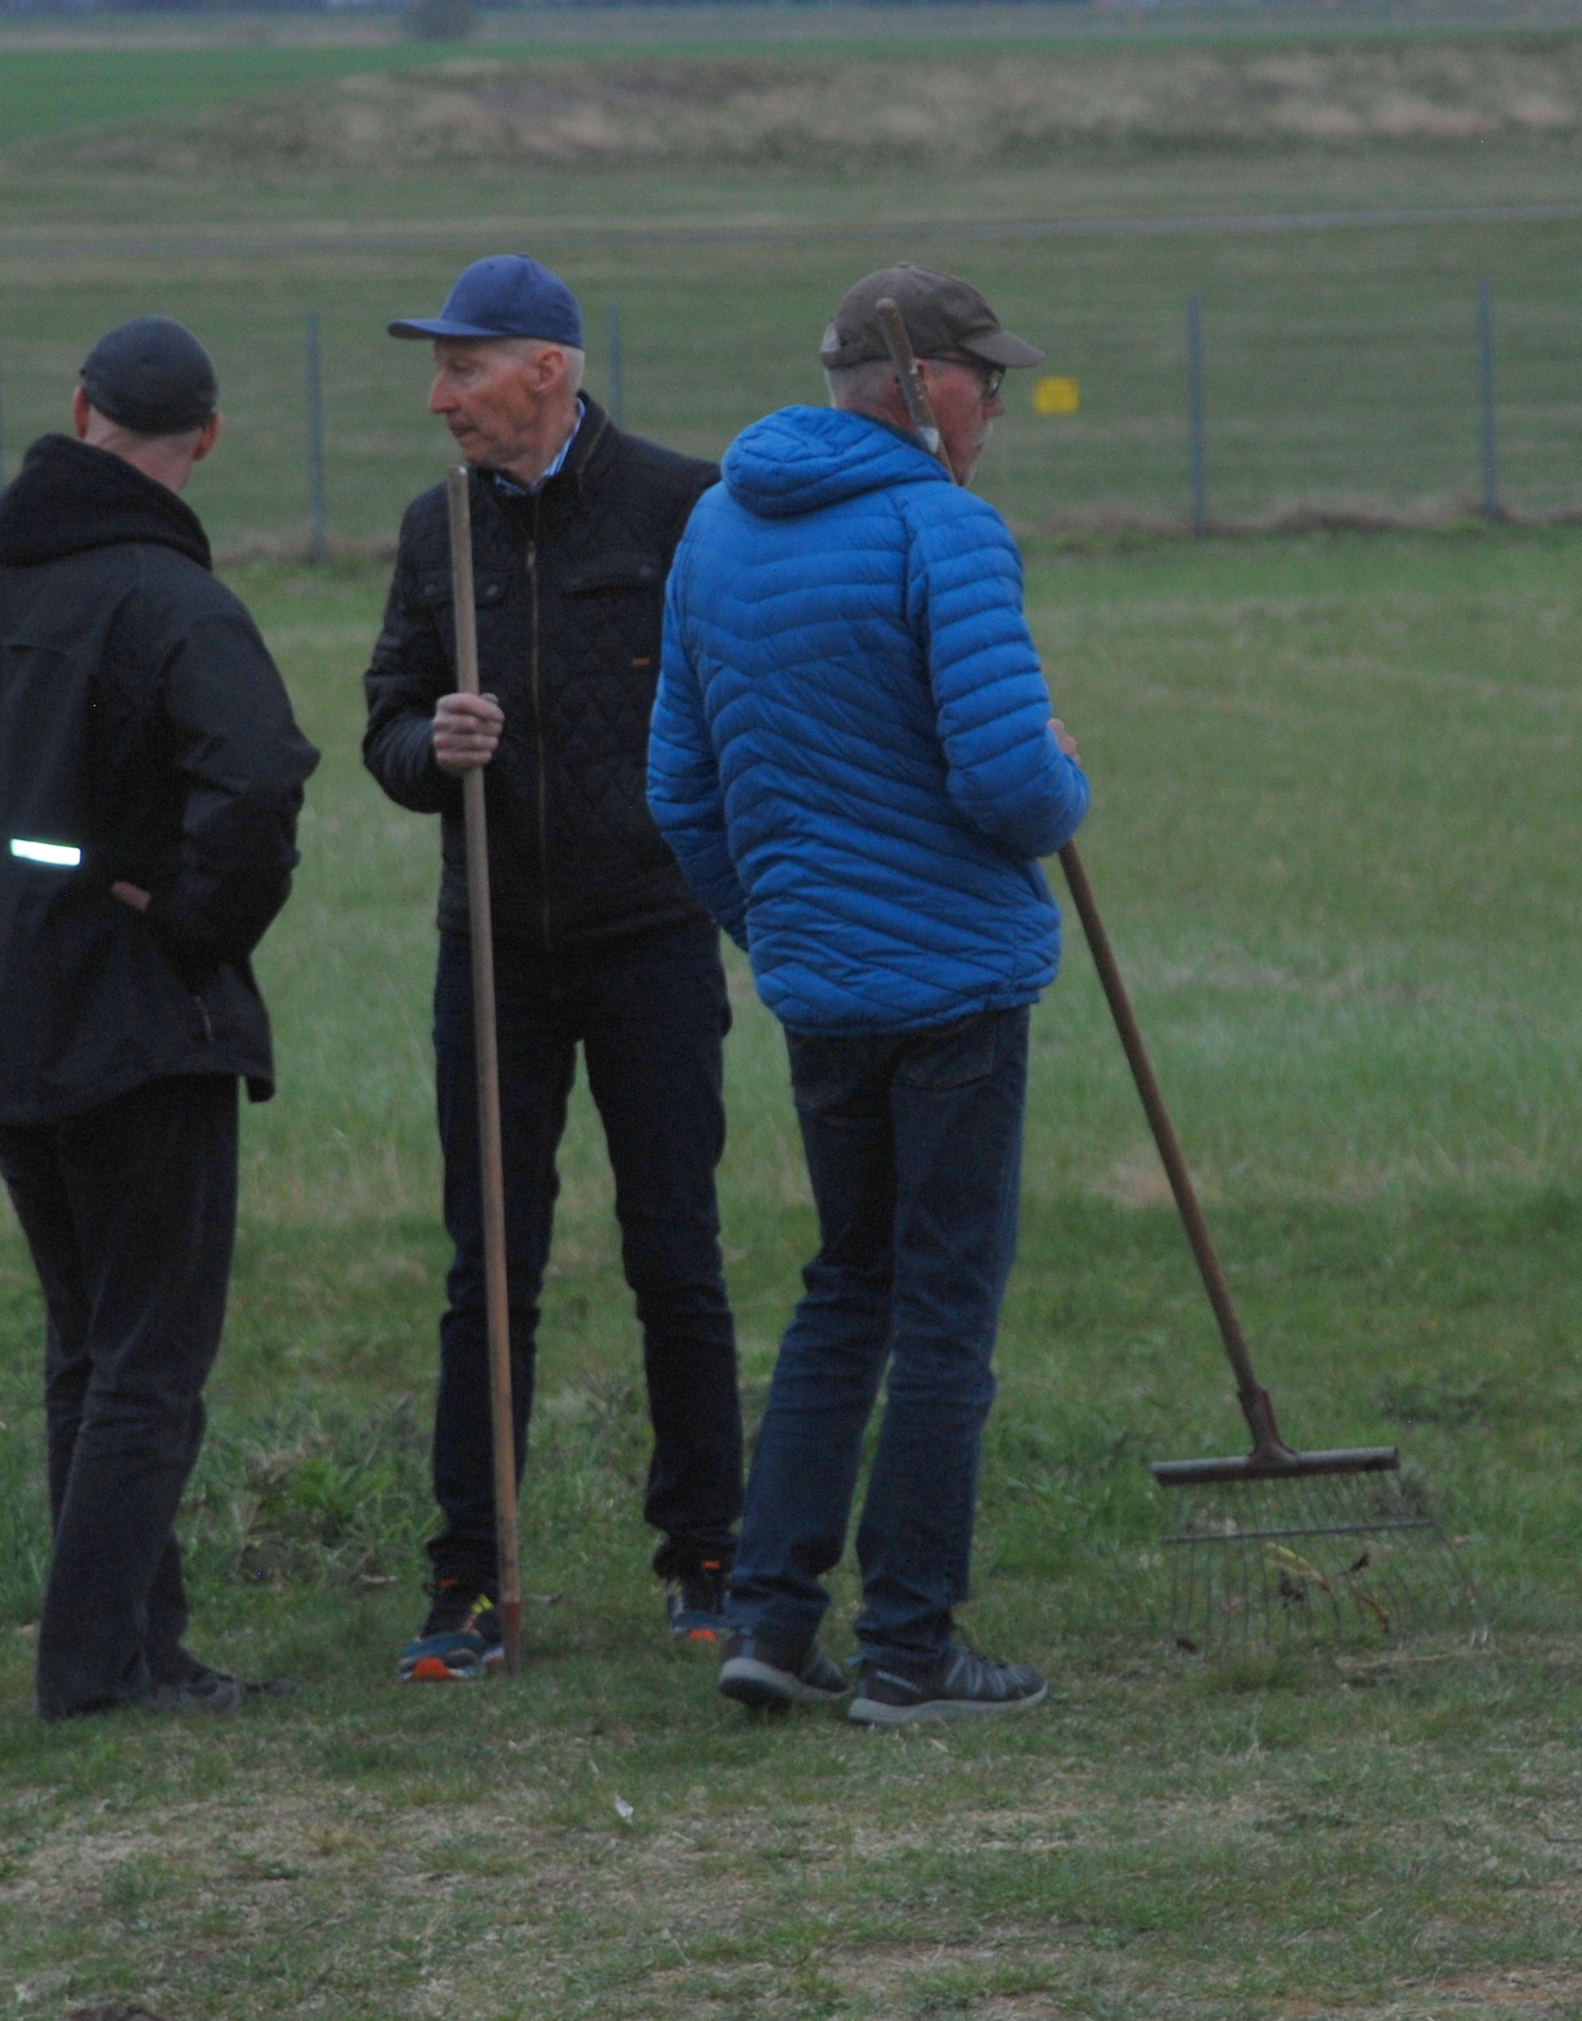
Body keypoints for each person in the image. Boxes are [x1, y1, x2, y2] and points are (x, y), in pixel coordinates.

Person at [0, 316, 321, 1721]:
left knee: (86, 1341)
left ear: (77, 409)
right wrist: (195, 929)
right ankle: (94, 1668)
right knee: (148, 1356)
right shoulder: (171, 604)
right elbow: (259, 784)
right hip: (135, 1022)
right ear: (202, 438)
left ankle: (140, 1647)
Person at [649, 264, 1090, 1727]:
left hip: (823, 991)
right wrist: (1064, 774)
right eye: (989, 381)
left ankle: (769, 1619)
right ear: (923, 388)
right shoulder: (940, 527)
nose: (1000, 410)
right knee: (944, 1306)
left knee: (846, 1291)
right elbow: (1009, 785)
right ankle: (908, 1647)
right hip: (955, 984)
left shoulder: (715, 524)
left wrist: (782, 929)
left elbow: (682, 789)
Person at [363, 254, 744, 1680]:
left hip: (650, 937)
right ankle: (469, 1575)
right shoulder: (434, 528)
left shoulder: (680, 508)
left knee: (676, 1257)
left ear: (549, 372)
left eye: (463, 368)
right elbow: (386, 724)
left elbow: (741, 705)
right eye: (437, 368)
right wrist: (428, 750)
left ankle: (709, 1556)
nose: (438, 396)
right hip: (492, 954)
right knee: (490, 1271)